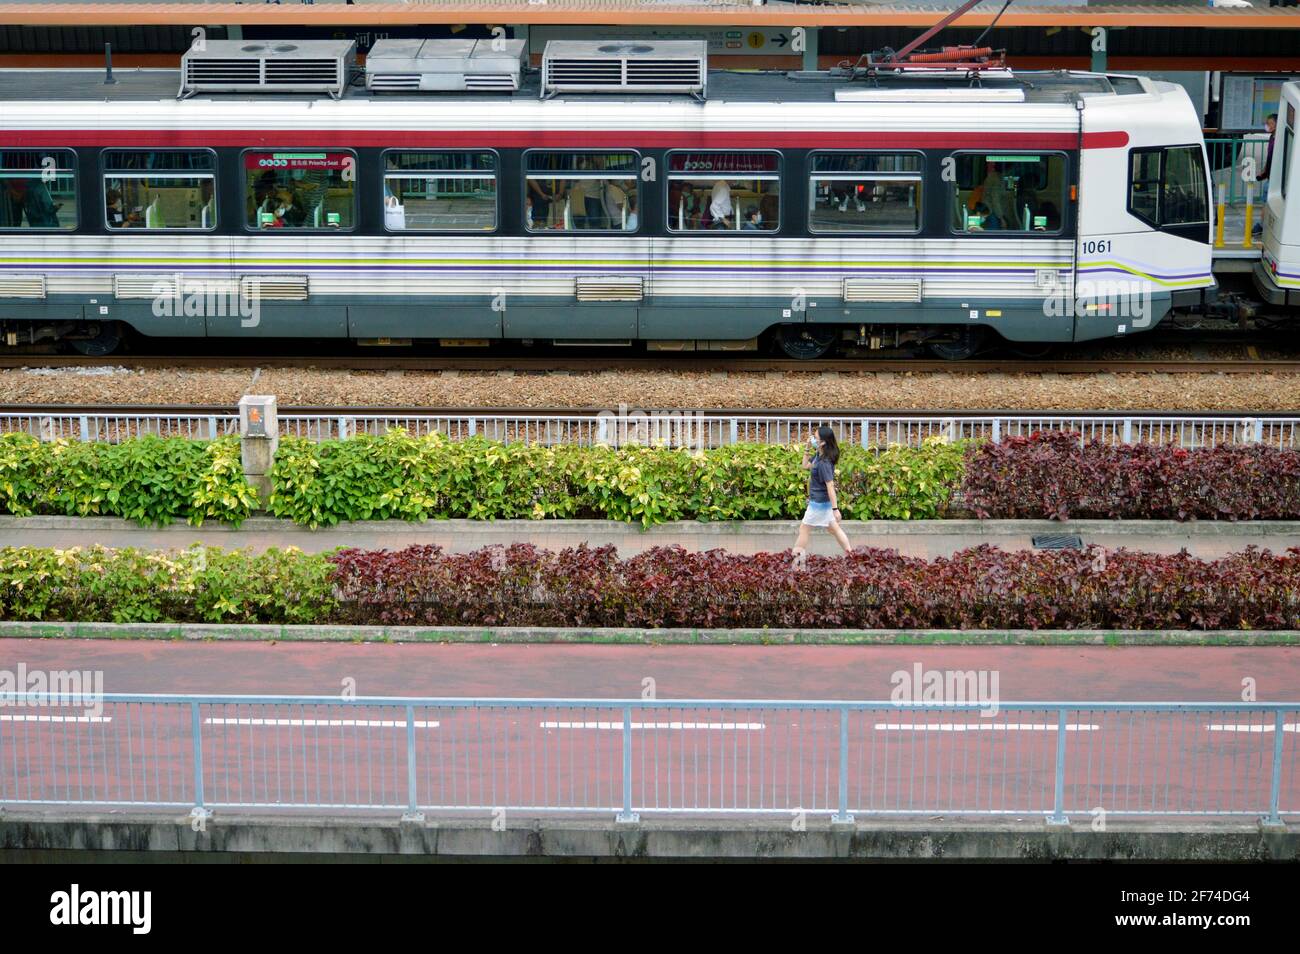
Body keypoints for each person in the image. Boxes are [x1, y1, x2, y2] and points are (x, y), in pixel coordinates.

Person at [791, 426, 853, 570]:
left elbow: (830, 486)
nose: (812, 439)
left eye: (815, 437)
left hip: (818, 504)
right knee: (834, 529)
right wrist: (807, 449)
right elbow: (805, 465)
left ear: (823, 442)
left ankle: (797, 564)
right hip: (820, 503)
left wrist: (835, 509)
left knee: (804, 529)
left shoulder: (824, 462)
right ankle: (851, 556)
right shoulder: (819, 456)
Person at [1254, 113, 1277, 235]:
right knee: (1266, 201)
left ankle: (1261, 226)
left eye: (1270, 123)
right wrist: (1263, 171)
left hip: (1275, 177)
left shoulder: (1279, 139)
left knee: (1266, 201)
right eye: (1267, 123)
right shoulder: (1272, 138)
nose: (1268, 126)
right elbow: (1269, 158)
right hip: (1270, 176)